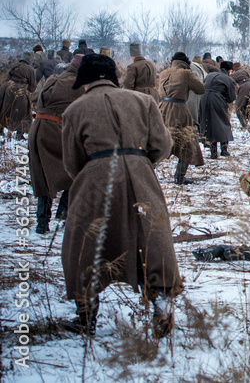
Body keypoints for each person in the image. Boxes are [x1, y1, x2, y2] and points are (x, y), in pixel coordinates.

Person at [59, 54, 179, 336]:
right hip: (141, 173)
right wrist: (139, 163)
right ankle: (161, 313)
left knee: (84, 244)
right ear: (113, 77)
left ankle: (85, 318)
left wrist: (92, 173)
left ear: (84, 81)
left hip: (95, 177)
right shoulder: (144, 101)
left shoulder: (74, 110)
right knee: (153, 240)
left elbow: (72, 162)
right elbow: (162, 145)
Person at [28, 53, 84, 234]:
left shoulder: (52, 79)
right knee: (75, 171)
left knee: (42, 177)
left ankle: (42, 224)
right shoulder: (79, 86)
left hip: (37, 131)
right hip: (57, 131)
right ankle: (63, 214)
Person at [158, 52, 206, 184]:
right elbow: (200, 89)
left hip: (161, 109)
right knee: (187, 142)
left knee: (158, 141)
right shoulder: (186, 73)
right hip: (179, 110)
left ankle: (148, 171)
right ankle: (179, 176)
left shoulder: (163, 73)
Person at [200, 60, 237, 158]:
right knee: (223, 123)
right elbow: (231, 98)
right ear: (230, 71)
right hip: (217, 99)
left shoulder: (209, 75)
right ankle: (224, 150)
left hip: (203, 98)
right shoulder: (229, 80)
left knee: (209, 124)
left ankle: (213, 152)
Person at [0, 51, 37, 138]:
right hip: (19, 90)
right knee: (23, 113)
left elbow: (7, 78)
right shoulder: (31, 69)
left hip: (6, 87)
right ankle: (20, 134)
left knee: (2, 108)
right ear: (30, 60)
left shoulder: (15, 65)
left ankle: (0, 130)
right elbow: (32, 87)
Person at [232, 63, 250, 128]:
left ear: (234, 69)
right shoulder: (249, 71)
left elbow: (230, 83)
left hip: (244, 86)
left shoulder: (235, 74)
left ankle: (244, 124)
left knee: (239, 107)